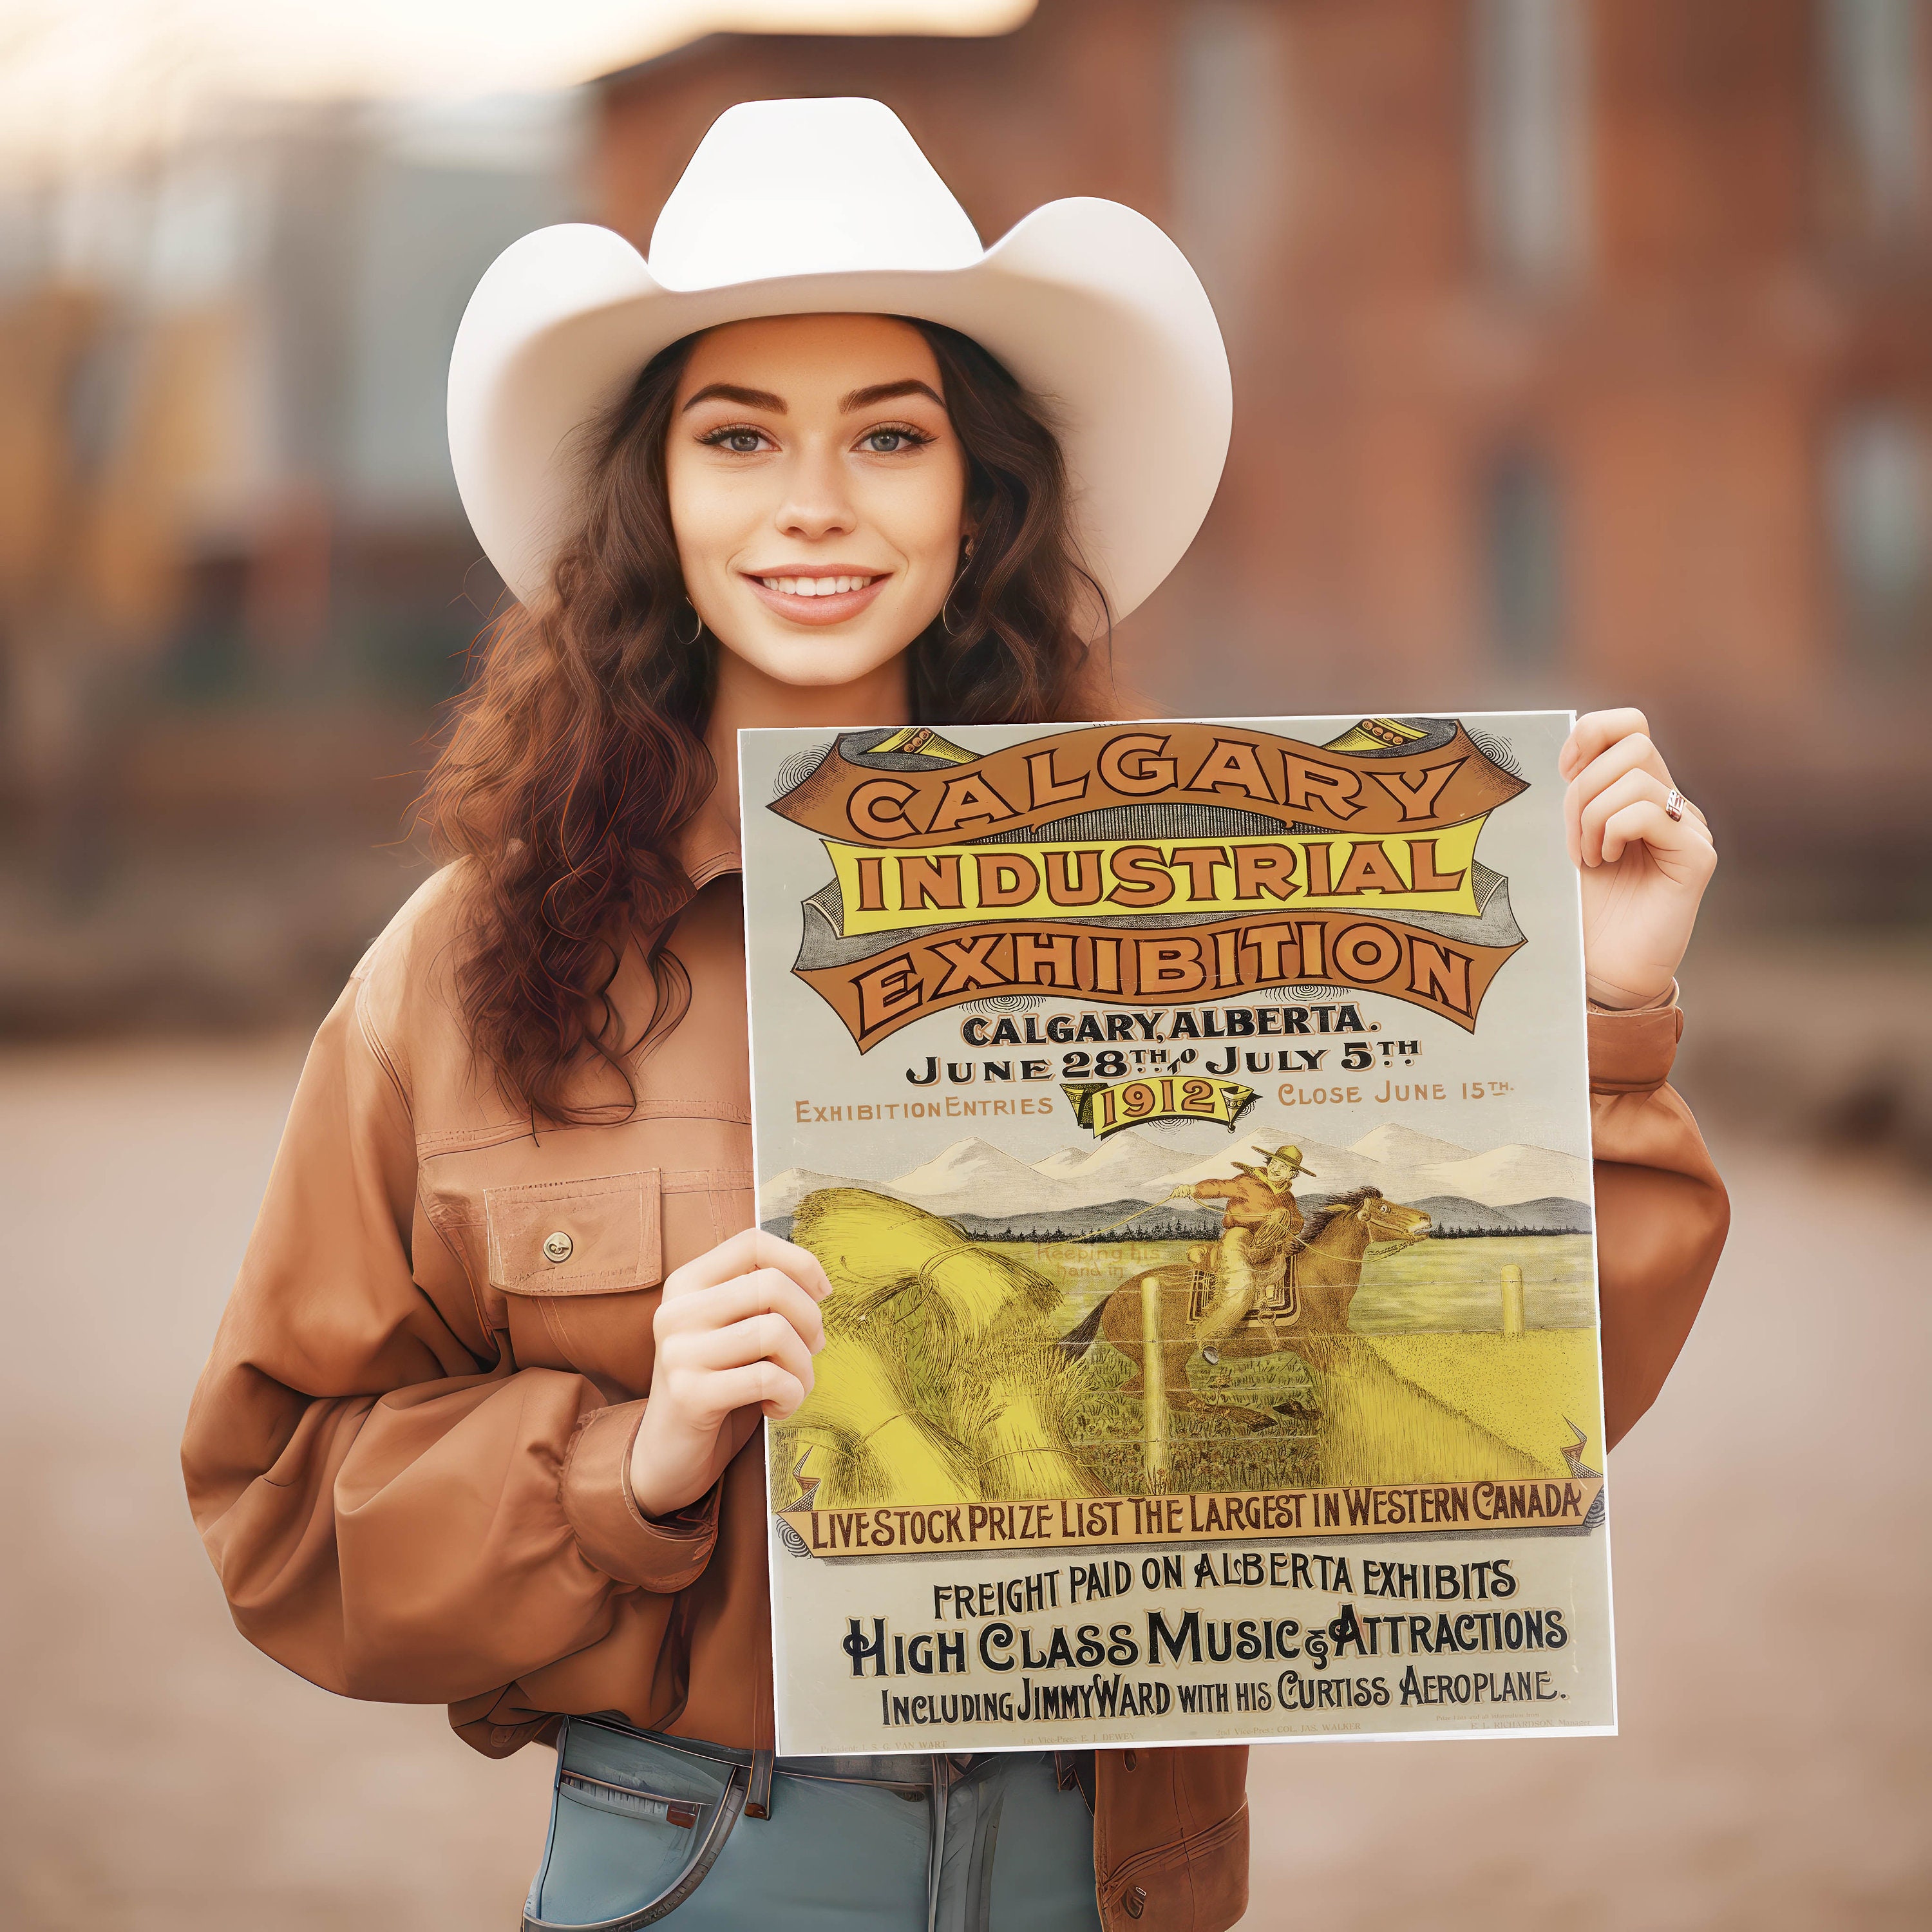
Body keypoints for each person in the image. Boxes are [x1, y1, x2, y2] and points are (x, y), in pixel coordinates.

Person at [181, 99, 1728, 1932]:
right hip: (705, 1867)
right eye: (737, 434)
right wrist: (631, 1455)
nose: (815, 501)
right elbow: (280, 1507)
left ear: (977, 499)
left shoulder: (1219, 904)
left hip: (1105, 1870)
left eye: (889, 435)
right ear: (652, 503)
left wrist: (1609, 995)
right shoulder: (465, 970)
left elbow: (1522, 1407)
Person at [1172, 1143, 1312, 1337]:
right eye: (1275, 1163)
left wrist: (1283, 1218)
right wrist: (1193, 1189)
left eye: (1284, 1167)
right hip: (1239, 1234)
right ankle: (1209, 1334)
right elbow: (1220, 1187)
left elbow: (1298, 1222)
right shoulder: (1247, 1181)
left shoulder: (1288, 1197)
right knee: (1242, 1281)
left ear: (1292, 1174)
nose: (1276, 1169)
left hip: (1267, 1244)